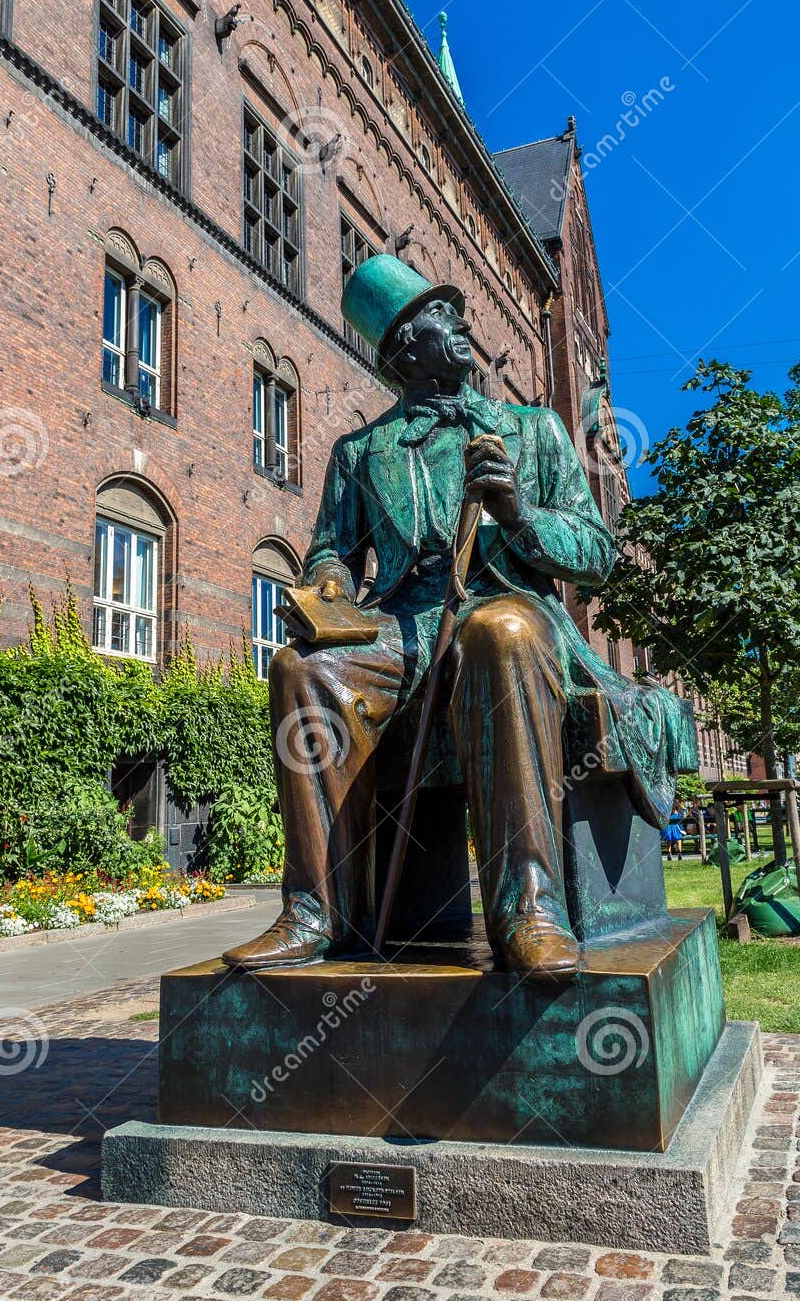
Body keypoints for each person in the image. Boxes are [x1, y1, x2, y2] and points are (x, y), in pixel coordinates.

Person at [224, 256, 695, 983]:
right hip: (401, 630)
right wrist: (327, 581)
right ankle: (318, 911)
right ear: (407, 346)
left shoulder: (532, 431)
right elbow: (331, 549)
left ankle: (529, 907)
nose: (463, 325)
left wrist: (518, 514)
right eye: (444, 317)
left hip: (516, 615)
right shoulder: (362, 452)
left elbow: (596, 554)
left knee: (496, 632)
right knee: (299, 668)